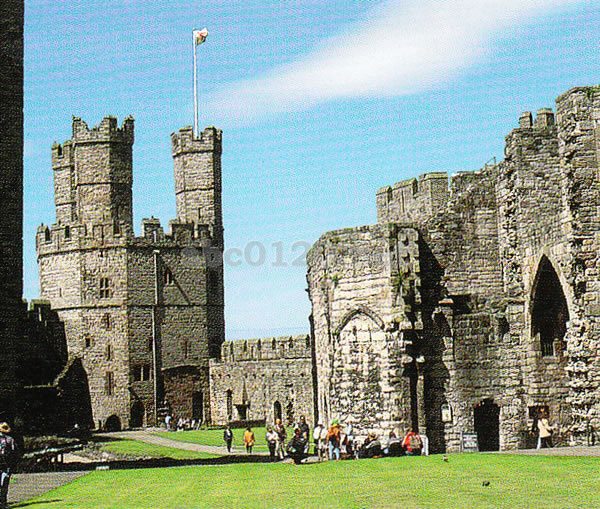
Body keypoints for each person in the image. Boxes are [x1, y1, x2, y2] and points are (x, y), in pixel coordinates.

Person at [0, 423, 18, 509]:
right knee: (4, 484)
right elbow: (15, 453)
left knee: (4, 484)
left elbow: (14, 453)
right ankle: (3, 503)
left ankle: (3, 503)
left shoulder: (10, 439)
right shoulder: (10, 439)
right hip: (6, 464)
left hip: (5, 465)